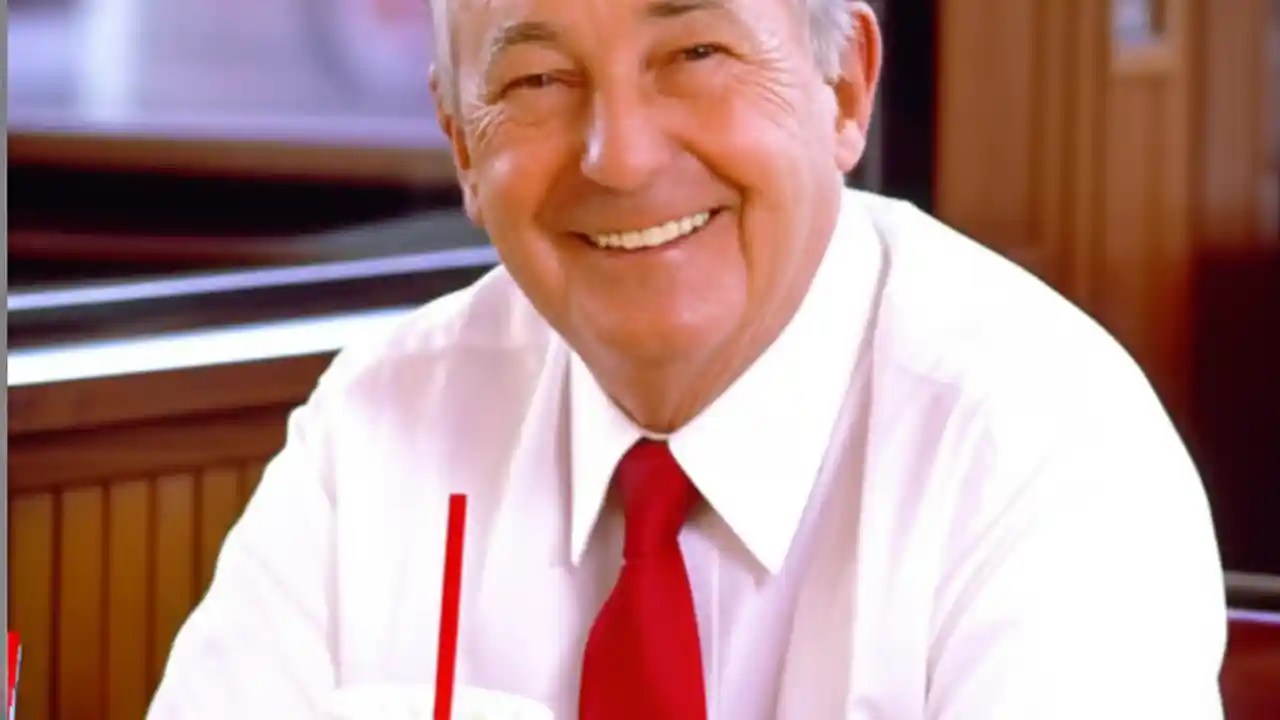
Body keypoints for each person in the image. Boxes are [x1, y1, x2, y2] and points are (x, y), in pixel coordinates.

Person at [148, 0, 1227, 717]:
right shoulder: (377, 421)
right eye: (533, 81)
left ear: (843, 86)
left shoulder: (1044, 446)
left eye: (694, 54)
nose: (618, 156)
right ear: (459, 142)